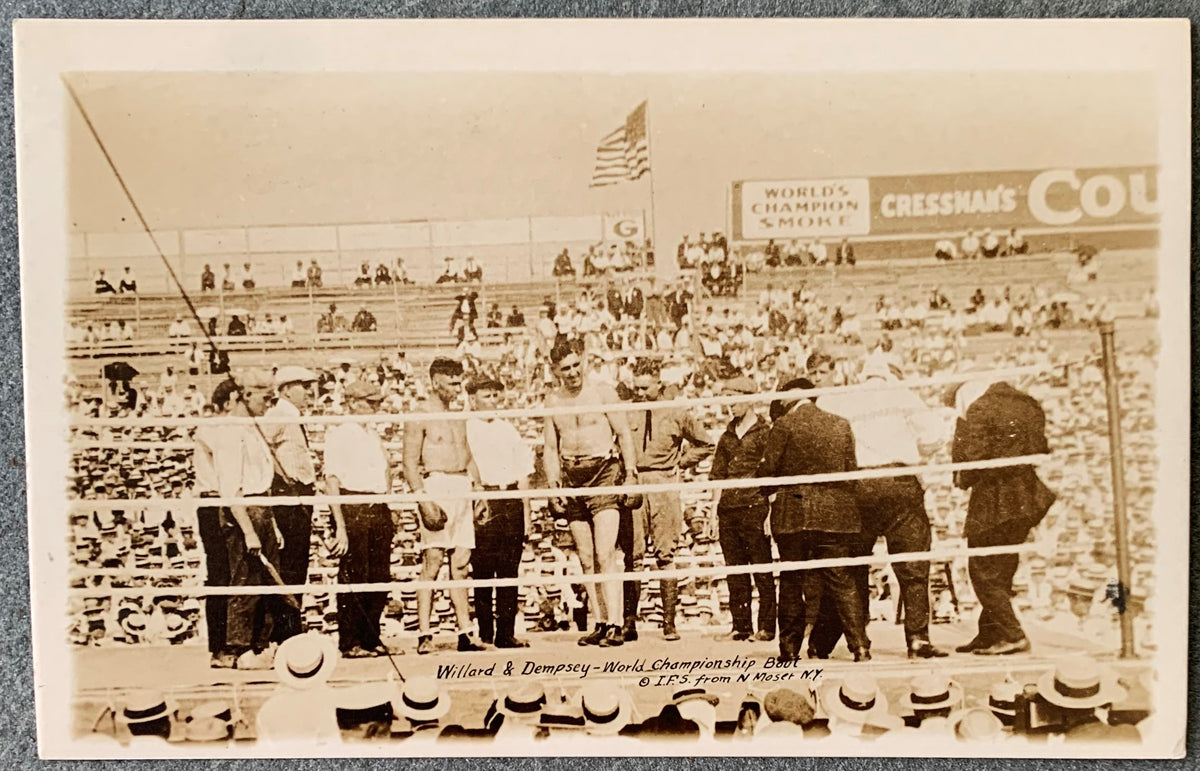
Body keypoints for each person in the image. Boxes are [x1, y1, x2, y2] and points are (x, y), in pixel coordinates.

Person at [814, 356, 949, 659]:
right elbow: (936, 434)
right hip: (899, 481)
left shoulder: (841, 399)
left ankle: (860, 643)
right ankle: (917, 640)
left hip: (859, 485)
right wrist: (915, 448)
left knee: (855, 565)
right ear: (889, 375)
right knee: (913, 565)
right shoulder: (901, 393)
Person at [756, 377, 868, 663]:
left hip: (793, 512)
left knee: (792, 580)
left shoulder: (784, 425)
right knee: (841, 580)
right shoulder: (840, 424)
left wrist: (768, 489)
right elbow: (849, 471)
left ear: (790, 398)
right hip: (834, 512)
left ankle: (790, 649)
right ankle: (860, 646)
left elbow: (768, 471)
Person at [542, 341, 639, 647]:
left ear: (583, 361)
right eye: (564, 368)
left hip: (604, 471)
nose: (571, 373)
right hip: (572, 475)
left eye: (575, 365)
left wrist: (631, 474)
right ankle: (599, 622)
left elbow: (623, 434)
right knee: (585, 557)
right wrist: (553, 483)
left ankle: (615, 624)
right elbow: (550, 446)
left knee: (605, 553)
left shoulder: (602, 392)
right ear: (555, 370)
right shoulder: (553, 400)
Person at [951, 376, 1056, 655]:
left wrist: (960, 435)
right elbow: (1040, 447)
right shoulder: (1027, 403)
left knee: (982, 571)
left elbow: (970, 461)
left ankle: (1013, 634)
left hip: (996, 499)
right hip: (1027, 496)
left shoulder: (979, 408)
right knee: (1002, 568)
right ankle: (990, 633)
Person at [192, 372, 279, 669]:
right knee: (241, 578)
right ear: (243, 397)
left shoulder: (250, 429)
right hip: (240, 508)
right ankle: (233, 647)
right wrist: (248, 530)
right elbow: (231, 487)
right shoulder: (228, 430)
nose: (269, 404)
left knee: (261, 580)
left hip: (259, 505)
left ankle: (255, 644)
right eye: (265, 398)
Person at [626, 361, 714, 641]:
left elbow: (706, 444)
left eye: (645, 387)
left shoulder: (677, 412)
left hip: (664, 483)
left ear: (658, 383)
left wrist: (680, 462)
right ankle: (629, 623)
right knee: (634, 556)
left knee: (665, 556)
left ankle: (669, 623)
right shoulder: (628, 410)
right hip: (636, 481)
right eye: (635, 387)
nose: (639, 393)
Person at [402, 358, 485, 655]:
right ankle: (425, 633)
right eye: (451, 382)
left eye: (458, 381)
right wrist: (423, 499)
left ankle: (465, 632)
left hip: (462, 484)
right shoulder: (420, 415)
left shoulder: (459, 416)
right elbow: (409, 463)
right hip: (435, 486)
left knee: (460, 565)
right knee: (433, 562)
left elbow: (468, 456)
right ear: (436, 381)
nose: (457, 387)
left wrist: (479, 491)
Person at [325, 380, 397, 659]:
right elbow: (331, 480)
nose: (374, 408)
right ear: (353, 402)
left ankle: (371, 637)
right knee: (356, 574)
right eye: (369, 402)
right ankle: (350, 641)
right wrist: (340, 526)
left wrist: (388, 503)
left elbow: (385, 471)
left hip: (377, 504)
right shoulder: (339, 434)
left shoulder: (372, 434)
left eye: (377, 403)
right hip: (352, 504)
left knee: (379, 575)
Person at [465, 376, 534, 648]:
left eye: (496, 395)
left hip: (510, 499)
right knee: (482, 569)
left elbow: (524, 472)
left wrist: (526, 513)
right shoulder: (467, 428)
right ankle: (485, 633)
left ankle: (506, 633)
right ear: (472, 399)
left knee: (509, 569)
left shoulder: (509, 429)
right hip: (484, 498)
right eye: (486, 396)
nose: (493, 401)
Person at [709, 376, 776, 642]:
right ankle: (741, 626)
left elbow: (772, 475)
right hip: (729, 509)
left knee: (761, 568)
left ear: (748, 399)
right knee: (735, 570)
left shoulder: (765, 432)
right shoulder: (727, 436)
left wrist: (770, 512)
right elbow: (718, 475)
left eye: (734, 400)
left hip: (755, 507)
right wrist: (714, 511)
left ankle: (767, 627)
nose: (729, 407)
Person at [261, 366, 320, 644]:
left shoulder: (293, 416)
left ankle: (290, 629)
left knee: (297, 564)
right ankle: (285, 632)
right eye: (303, 386)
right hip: (287, 494)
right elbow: (262, 446)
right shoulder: (278, 414)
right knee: (288, 564)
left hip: (301, 493)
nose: (310, 391)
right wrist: (282, 478)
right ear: (285, 390)